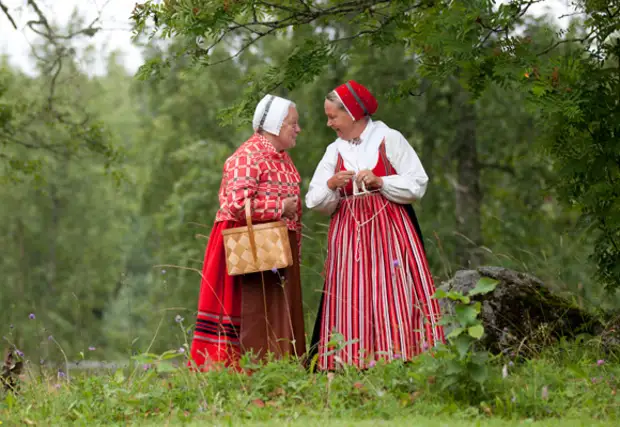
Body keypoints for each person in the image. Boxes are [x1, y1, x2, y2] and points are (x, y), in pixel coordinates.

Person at [305, 81, 445, 370]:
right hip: (348, 236)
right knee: (351, 294)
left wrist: (381, 181)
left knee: (393, 291)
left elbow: (417, 183)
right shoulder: (335, 150)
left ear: (353, 113)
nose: (330, 123)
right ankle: (350, 362)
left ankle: (402, 357)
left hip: (390, 230)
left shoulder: (388, 139)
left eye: (333, 117)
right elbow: (315, 199)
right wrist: (332, 184)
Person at [188, 94, 306, 371]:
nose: (298, 129)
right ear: (276, 125)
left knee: (273, 313)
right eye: (293, 123)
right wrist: (279, 207)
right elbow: (235, 204)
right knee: (248, 312)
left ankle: (275, 373)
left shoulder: (282, 159)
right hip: (245, 247)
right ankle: (232, 374)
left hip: (275, 246)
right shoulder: (246, 157)